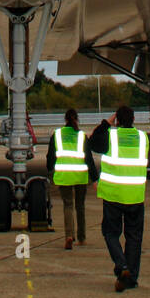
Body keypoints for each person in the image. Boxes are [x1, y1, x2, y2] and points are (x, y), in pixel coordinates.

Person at [90, 105, 149, 290]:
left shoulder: (110, 136)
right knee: (134, 237)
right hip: (135, 195)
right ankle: (130, 278)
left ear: (117, 119)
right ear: (133, 119)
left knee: (110, 233)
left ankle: (122, 265)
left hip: (113, 194)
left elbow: (92, 143)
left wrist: (106, 123)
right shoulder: (143, 137)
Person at [46, 107, 97, 249]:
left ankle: (69, 235)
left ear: (65, 119)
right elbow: (89, 159)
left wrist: (50, 169)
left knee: (67, 205)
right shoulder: (82, 136)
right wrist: (94, 178)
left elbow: (50, 156)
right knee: (80, 206)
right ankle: (81, 237)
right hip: (80, 175)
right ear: (77, 119)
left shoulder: (57, 135)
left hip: (64, 175)